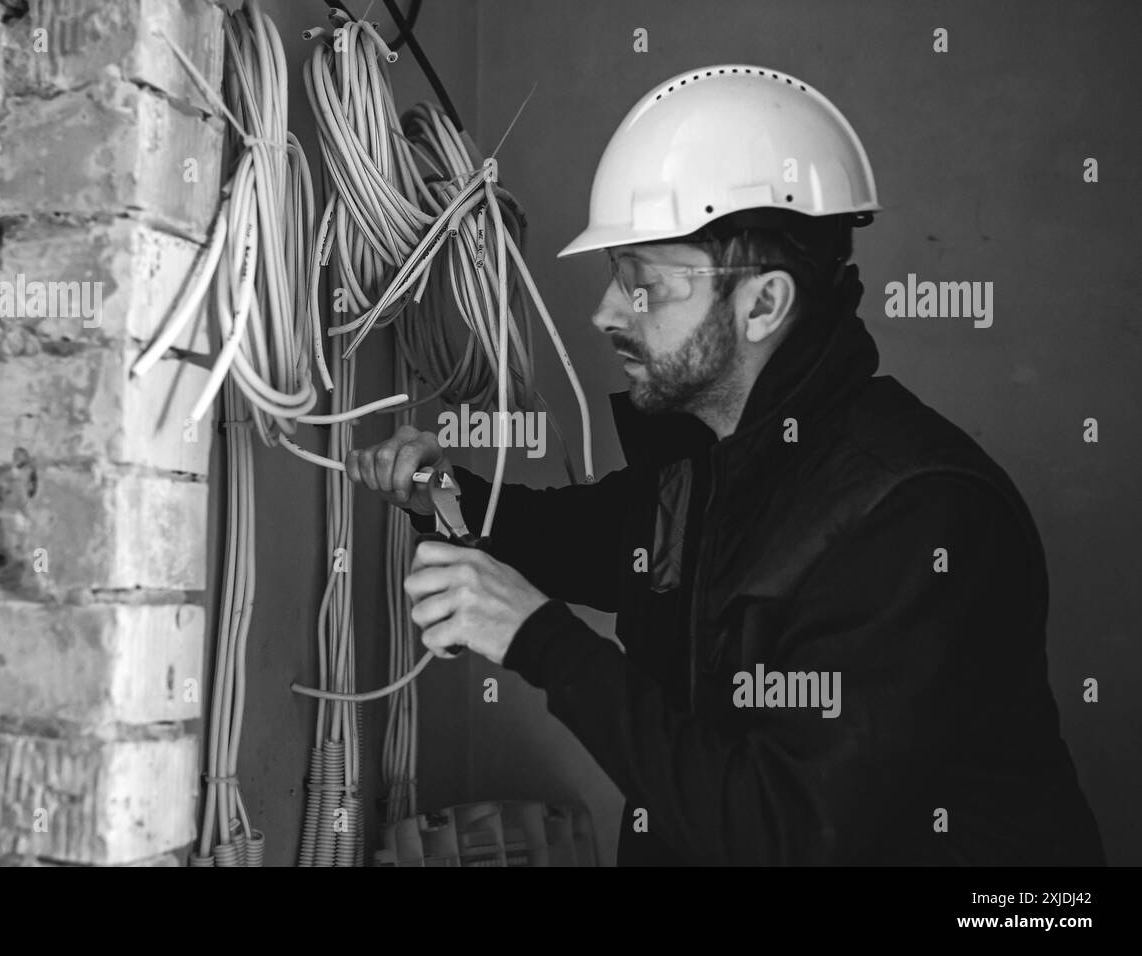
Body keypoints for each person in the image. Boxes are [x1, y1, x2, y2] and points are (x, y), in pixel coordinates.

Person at [345, 66, 1105, 865]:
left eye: (643, 285)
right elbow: (586, 539)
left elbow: (783, 833)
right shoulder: (717, 461)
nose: (607, 312)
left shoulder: (916, 515)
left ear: (763, 305)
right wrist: (446, 493)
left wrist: (537, 638)